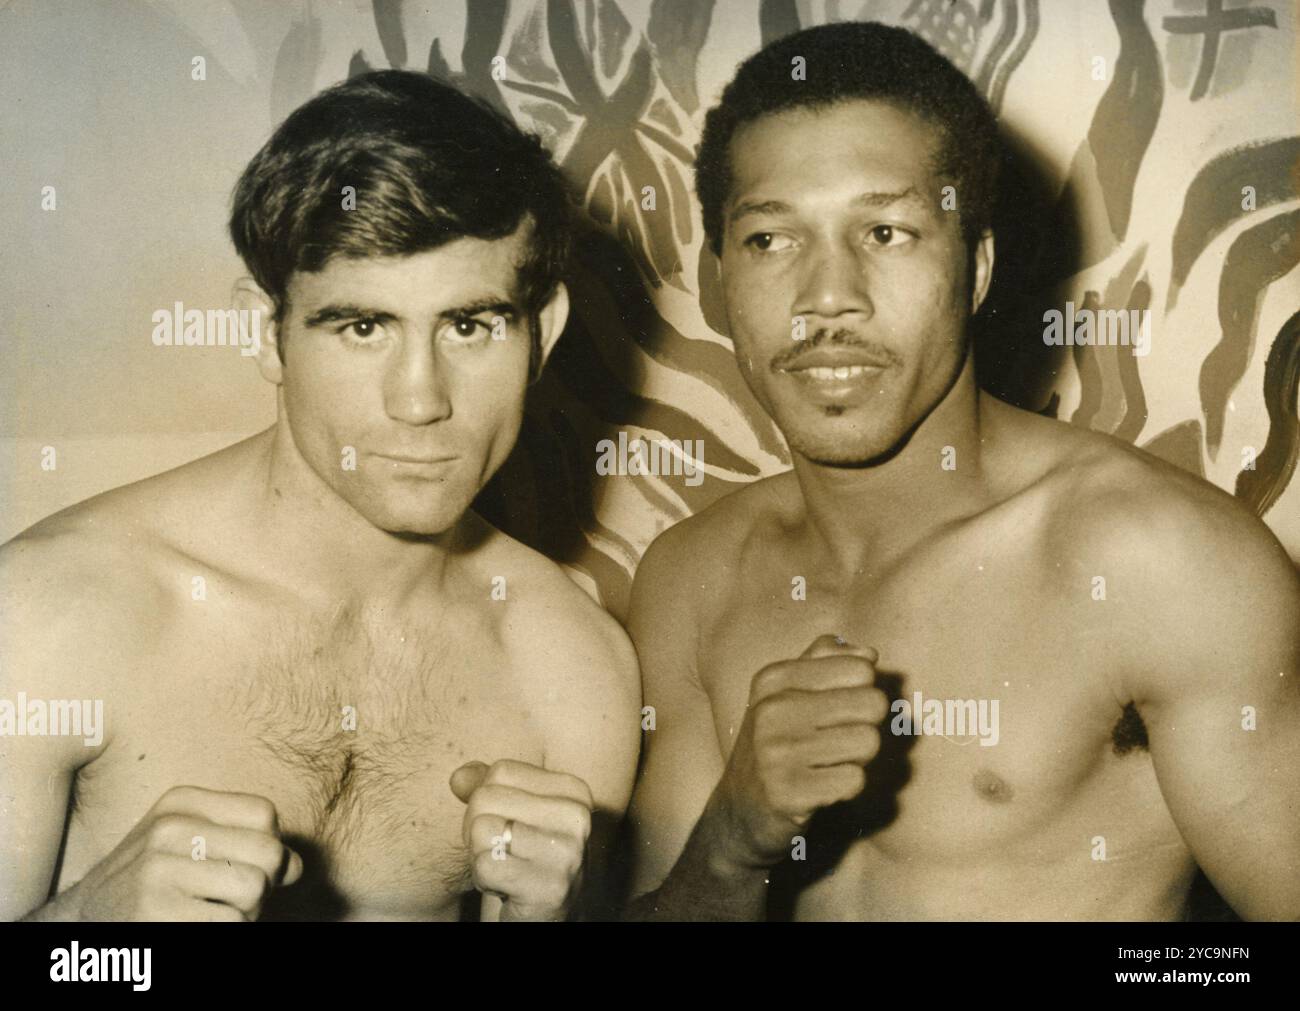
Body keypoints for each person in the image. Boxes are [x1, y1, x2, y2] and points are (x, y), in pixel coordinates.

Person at [623, 22, 1300, 921]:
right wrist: (729, 847)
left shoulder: (1161, 563)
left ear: (975, 267)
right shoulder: (688, 578)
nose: (829, 296)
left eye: (888, 231)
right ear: (719, 284)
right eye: (770, 240)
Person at [1, 70, 640, 922]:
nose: (420, 401)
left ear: (543, 334)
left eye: (469, 325)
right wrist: (84, 931)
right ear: (267, 334)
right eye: (362, 327)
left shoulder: (573, 665)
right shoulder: (52, 612)